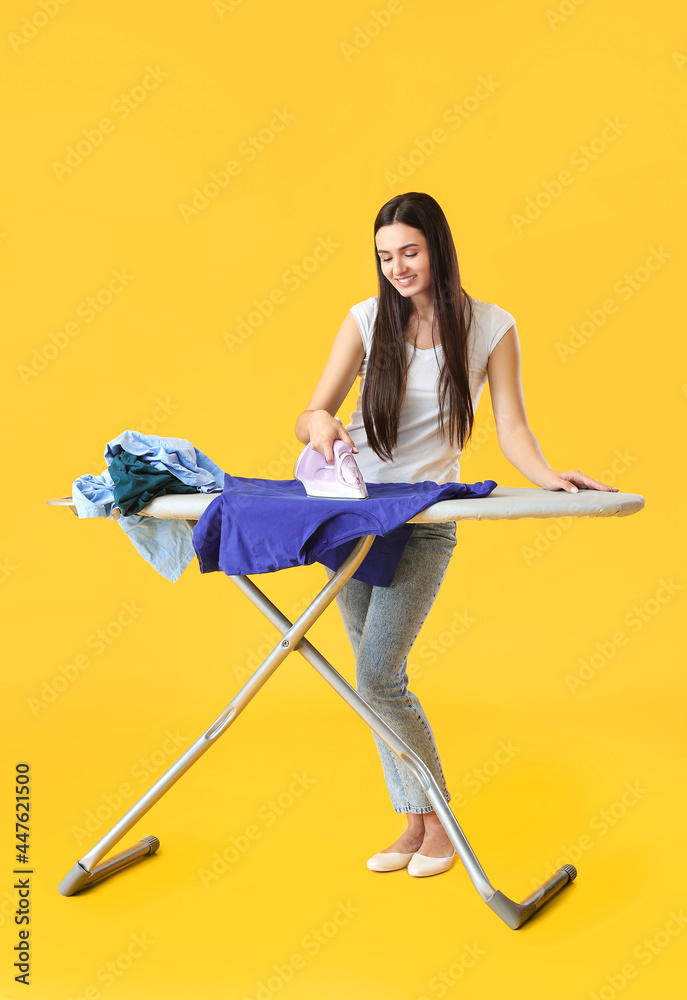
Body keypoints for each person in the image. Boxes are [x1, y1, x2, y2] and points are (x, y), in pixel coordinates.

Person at [294, 191, 617, 878]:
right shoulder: (363, 319)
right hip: (350, 513)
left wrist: (550, 475)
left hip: (426, 518)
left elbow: (511, 427)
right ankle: (410, 822)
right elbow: (312, 410)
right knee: (370, 680)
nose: (397, 268)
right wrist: (320, 426)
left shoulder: (490, 326)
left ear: (437, 247)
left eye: (408, 252)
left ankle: (439, 820)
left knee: (378, 675)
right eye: (385, 257)